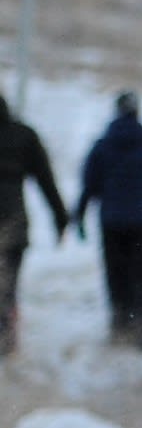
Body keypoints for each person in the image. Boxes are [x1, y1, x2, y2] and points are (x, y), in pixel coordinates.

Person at [78, 93, 142, 349]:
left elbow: (88, 186)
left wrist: (78, 217)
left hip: (111, 223)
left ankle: (120, 325)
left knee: (117, 276)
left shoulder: (102, 146)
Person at [0, 92, 68, 360]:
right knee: (8, 286)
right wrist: (60, 218)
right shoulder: (24, 136)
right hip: (14, 224)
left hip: (13, 226)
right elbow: (46, 181)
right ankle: (6, 342)